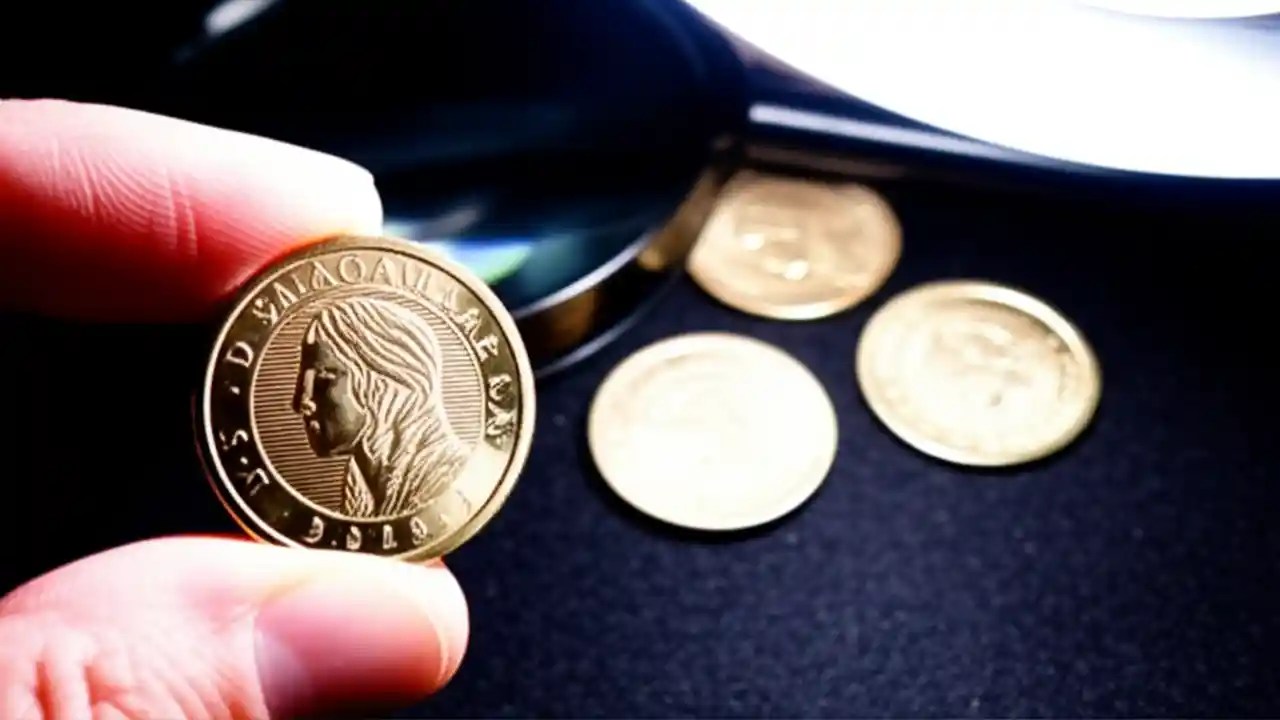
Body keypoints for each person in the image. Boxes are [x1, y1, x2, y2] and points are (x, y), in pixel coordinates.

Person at [0, 99, 469, 719]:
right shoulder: (376, 490)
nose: (301, 397)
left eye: (322, 378)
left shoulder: (437, 478)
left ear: (387, 381)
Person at [294, 295, 468, 518]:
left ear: (383, 386)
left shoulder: (451, 482)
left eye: (324, 378)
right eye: (303, 379)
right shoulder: (362, 490)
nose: (300, 402)